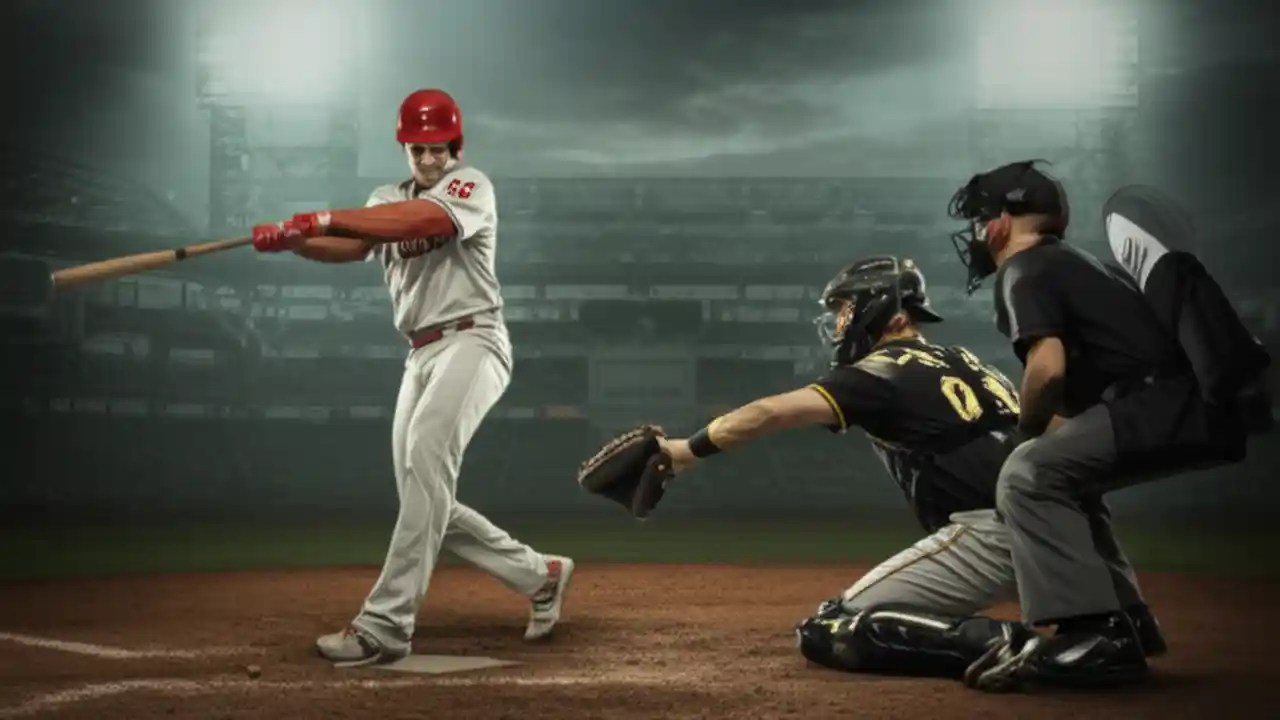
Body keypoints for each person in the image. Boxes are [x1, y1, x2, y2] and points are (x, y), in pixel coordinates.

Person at [651, 255, 1165, 681]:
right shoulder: (967, 361)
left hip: (993, 530)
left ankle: (1014, 645)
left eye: (846, 308)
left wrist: (682, 452)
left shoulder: (877, 372)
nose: (838, 322)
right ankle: (1122, 619)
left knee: (831, 627)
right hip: (1061, 524)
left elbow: (767, 413)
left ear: (891, 313)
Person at [250, 88, 574, 667]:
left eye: (437, 148)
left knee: (426, 459)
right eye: (417, 149)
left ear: (455, 145)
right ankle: (540, 574)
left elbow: (420, 220)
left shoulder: (469, 186)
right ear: (404, 146)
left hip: (474, 338)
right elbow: (349, 247)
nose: (428, 159)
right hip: (420, 353)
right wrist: (296, 243)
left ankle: (386, 624)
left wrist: (326, 216)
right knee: (422, 499)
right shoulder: (383, 198)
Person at [944, 160, 1269, 692]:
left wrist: (1023, 435)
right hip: (1186, 400)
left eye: (982, 219)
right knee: (1065, 478)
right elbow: (1088, 388)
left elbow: (1047, 370)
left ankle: (1092, 634)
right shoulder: (1076, 263)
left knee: (1027, 474)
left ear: (1003, 220)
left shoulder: (1024, 269)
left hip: (1162, 398)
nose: (978, 232)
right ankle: (1126, 621)